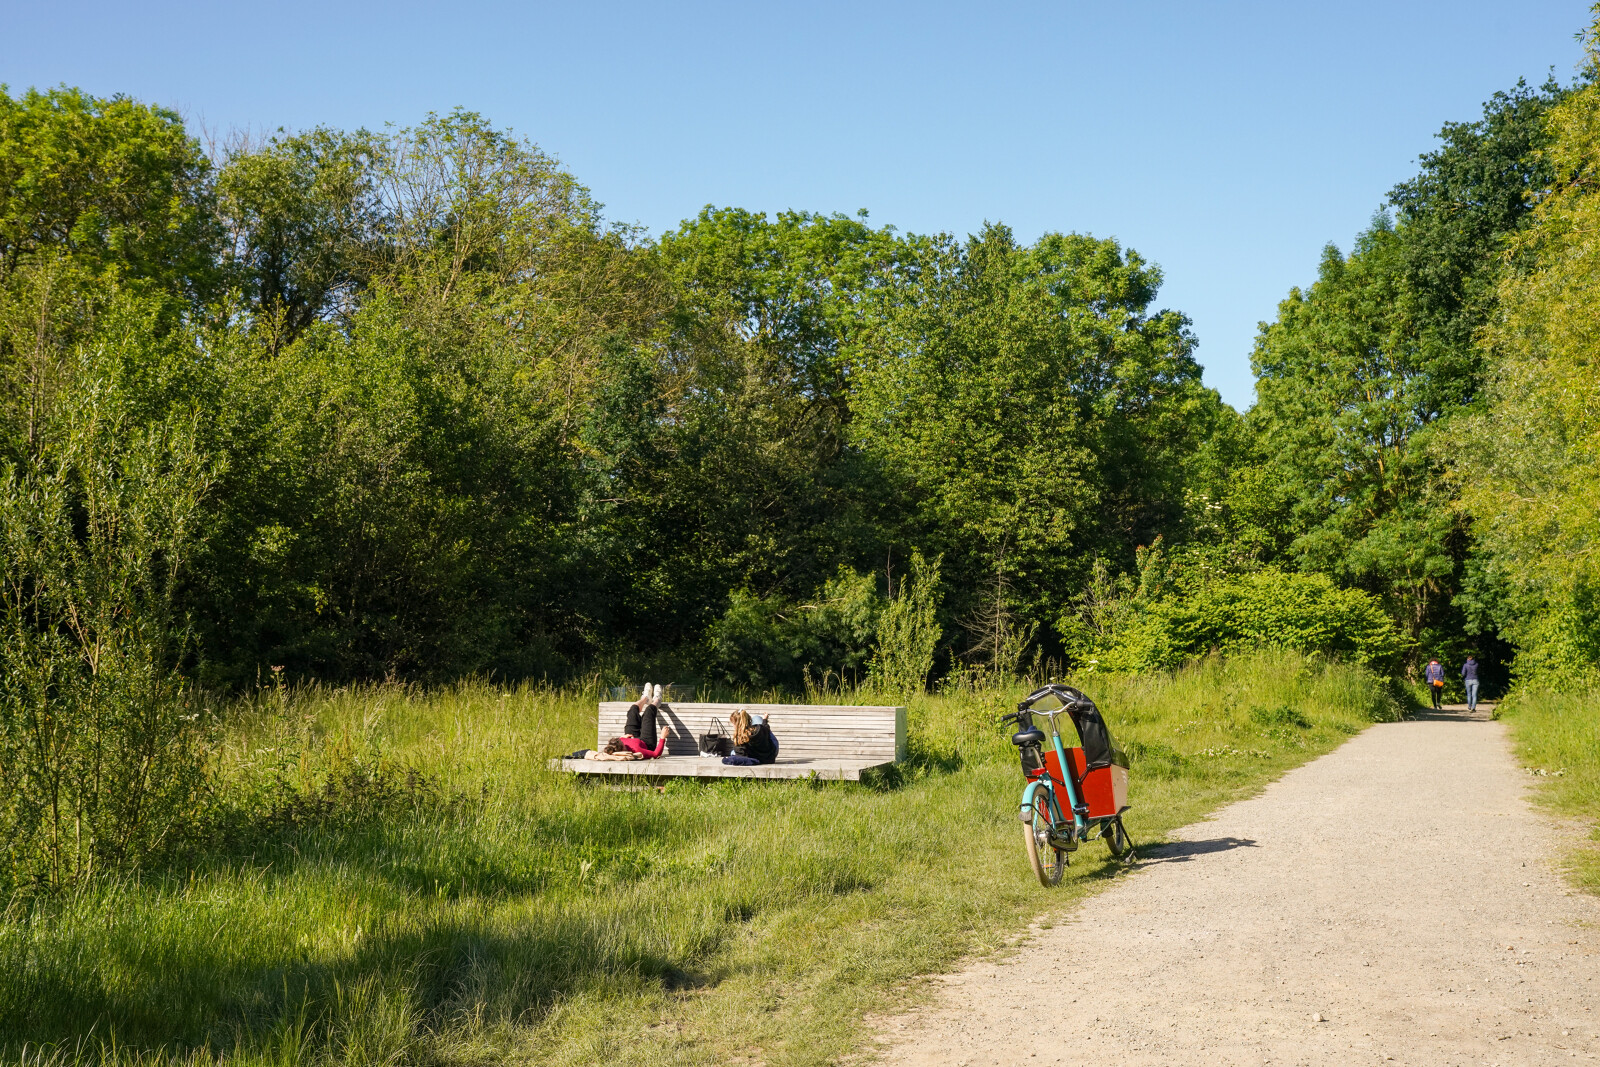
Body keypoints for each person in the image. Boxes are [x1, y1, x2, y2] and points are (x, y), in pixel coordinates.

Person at [606, 683, 672, 759]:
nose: (623, 742)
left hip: (632, 737)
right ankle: (657, 699)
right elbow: (655, 754)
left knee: (633, 711)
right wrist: (662, 737)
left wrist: (621, 738)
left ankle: (645, 698)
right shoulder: (637, 750)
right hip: (646, 743)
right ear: (623, 750)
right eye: (623, 744)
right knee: (649, 712)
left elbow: (612, 747)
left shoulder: (614, 747)